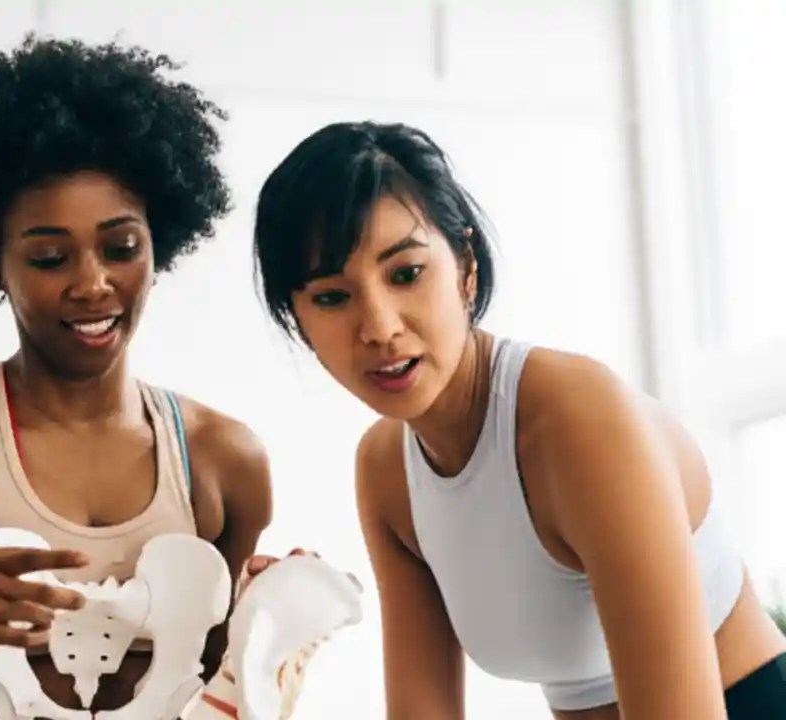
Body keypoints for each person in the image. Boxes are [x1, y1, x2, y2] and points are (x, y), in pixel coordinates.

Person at [251, 120, 786, 719]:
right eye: (331, 297)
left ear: (466, 268)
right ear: (299, 322)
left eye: (406, 274)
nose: (378, 326)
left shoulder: (579, 423)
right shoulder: (386, 473)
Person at [0, 36, 273, 720]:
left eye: (121, 248)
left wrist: (274, 631)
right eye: (50, 257)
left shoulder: (225, 459)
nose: (93, 284)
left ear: (161, 241)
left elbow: (228, 699)